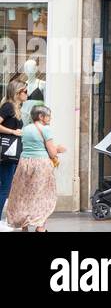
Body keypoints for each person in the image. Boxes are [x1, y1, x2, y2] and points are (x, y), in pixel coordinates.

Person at [4, 104, 63, 231]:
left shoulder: (26, 129)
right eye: (48, 116)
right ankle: (40, 227)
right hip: (41, 164)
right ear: (41, 116)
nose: (50, 118)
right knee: (43, 196)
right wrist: (59, 149)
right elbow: (52, 152)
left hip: (24, 163)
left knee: (24, 194)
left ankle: (24, 226)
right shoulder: (46, 130)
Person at [0, 78, 28, 231]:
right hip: (6, 154)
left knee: (7, 187)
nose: (27, 94)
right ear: (17, 93)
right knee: (5, 187)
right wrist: (13, 131)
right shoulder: (8, 107)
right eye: (24, 91)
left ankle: (9, 219)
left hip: (11, 154)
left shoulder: (15, 107)